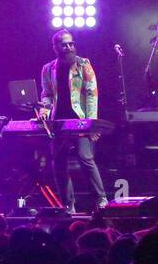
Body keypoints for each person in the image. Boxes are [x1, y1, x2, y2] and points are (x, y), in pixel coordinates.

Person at [39, 28, 108, 211]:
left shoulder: (83, 64)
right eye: (64, 45)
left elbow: (92, 94)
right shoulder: (48, 69)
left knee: (85, 158)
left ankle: (101, 200)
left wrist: (92, 125)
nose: (69, 47)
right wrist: (44, 110)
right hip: (58, 122)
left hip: (80, 120)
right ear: (56, 47)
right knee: (58, 162)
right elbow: (46, 94)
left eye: (71, 44)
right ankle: (68, 204)